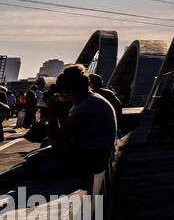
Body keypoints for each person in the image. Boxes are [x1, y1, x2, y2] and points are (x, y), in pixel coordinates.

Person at [0, 65, 116, 193]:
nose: (59, 94)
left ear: (67, 90)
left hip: (88, 162)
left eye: (60, 91)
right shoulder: (91, 101)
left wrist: (53, 111)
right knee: (32, 158)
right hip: (91, 157)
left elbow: (56, 141)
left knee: (28, 166)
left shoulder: (88, 106)